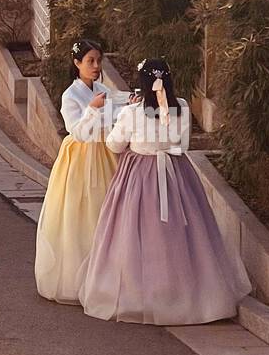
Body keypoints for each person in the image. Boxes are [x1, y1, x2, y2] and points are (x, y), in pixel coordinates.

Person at [79, 58, 252, 325]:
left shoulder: (132, 112)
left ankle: (139, 295)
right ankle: (183, 294)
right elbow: (182, 144)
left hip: (137, 177)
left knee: (135, 232)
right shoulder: (181, 107)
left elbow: (114, 145)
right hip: (176, 174)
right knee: (184, 233)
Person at [34, 38, 120, 304]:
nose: (95, 66)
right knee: (78, 213)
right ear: (77, 63)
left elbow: (115, 120)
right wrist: (93, 111)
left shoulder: (104, 89)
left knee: (108, 213)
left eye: (98, 61)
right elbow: (77, 131)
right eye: (90, 61)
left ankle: (106, 278)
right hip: (81, 157)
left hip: (106, 153)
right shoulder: (70, 95)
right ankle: (76, 280)